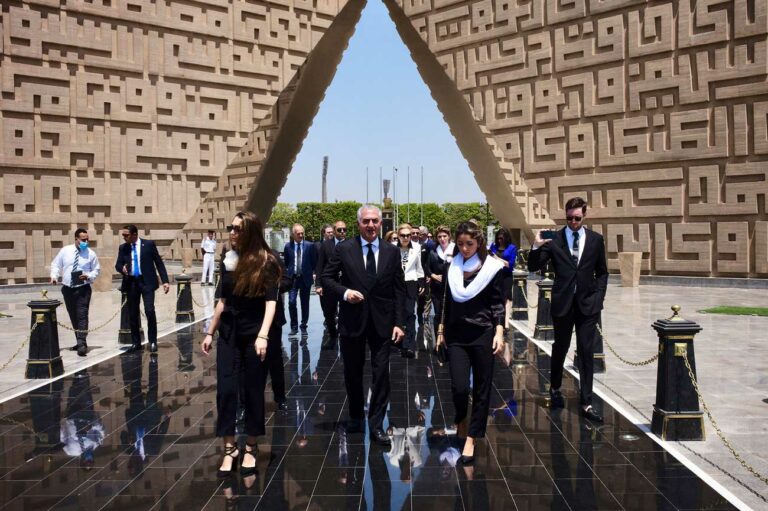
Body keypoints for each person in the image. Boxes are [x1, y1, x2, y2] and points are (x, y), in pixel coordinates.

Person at [201, 211, 281, 477]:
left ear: (250, 232)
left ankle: (250, 446)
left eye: (237, 229)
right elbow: (222, 300)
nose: (232, 233)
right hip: (229, 333)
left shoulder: (267, 261)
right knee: (225, 390)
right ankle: (229, 448)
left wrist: (263, 335)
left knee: (253, 391)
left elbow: (271, 302)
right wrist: (210, 332)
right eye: (231, 228)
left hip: (254, 332)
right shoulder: (228, 259)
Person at [321, 205, 406, 446]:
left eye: (375, 221)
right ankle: (356, 416)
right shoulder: (344, 249)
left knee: (381, 374)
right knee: (353, 372)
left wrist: (400, 323)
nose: (370, 225)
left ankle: (377, 424)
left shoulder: (391, 251)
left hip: (382, 323)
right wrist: (345, 293)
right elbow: (327, 278)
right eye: (366, 221)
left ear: (381, 224)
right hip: (352, 320)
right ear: (359, 224)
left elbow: (399, 289)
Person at [527, 196, 608, 423]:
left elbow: (602, 272)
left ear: (584, 215)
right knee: (560, 347)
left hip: (587, 305)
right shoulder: (555, 238)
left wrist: (599, 297)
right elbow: (534, 266)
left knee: (586, 351)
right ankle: (554, 388)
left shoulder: (595, 240)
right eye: (569, 218)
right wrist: (535, 245)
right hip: (563, 304)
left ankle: (587, 401)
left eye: (577, 218)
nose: (573, 222)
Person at [435, 221, 504, 464]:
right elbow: (443, 302)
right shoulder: (451, 267)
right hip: (456, 335)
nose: (465, 249)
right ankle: (461, 417)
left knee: (482, 388)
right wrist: (440, 330)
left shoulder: (492, 268)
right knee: (460, 387)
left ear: (479, 243)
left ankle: (472, 438)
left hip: (483, 333)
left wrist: (499, 331)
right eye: (461, 244)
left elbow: (497, 303)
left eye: (470, 244)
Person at [115, 225, 170, 353]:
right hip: (131, 283)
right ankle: (136, 343)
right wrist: (121, 269)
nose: (123, 237)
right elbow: (118, 264)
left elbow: (158, 263)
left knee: (149, 310)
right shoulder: (123, 248)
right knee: (133, 313)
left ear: (134, 234)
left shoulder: (149, 244)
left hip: (147, 283)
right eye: (123, 235)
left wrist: (165, 281)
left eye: (126, 235)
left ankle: (152, 341)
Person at [50, 228, 101, 356]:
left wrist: (88, 276)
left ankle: (82, 343)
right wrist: (54, 276)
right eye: (83, 239)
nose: (86, 241)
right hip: (68, 289)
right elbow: (56, 264)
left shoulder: (91, 254)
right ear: (76, 239)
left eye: (87, 239)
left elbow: (96, 270)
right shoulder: (65, 251)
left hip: (83, 289)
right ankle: (79, 340)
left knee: (82, 315)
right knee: (73, 315)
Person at [315, 220, 347, 347]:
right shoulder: (326, 245)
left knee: (346, 311)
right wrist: (318, 284)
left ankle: (345, 336)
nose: (342, 232)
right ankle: (333, 337)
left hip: (345, 283)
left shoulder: (351, 244)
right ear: (334, 231)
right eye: (339, 230)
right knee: (329, 312)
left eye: (344, 229)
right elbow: (320, 265)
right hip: (329, 283)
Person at [283, 223, 317, 335]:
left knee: (304, 302)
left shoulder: (310, 245)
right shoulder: (288, 246)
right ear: (293, 234)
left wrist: (313, 273)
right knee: (291, 302)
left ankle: (303, 325)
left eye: (302, 233)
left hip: (305, 278)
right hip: (292, 279)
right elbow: (287, 262)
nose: (301, 235)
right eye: (298, 233)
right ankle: (294, 327)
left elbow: (313, 262)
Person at [397, 223, 425, 359]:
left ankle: (409, 345)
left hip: (411, 282)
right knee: (398, 312)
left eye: (408, 235)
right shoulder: (391, 249)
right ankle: (397, 342)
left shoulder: (417, 248)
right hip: (396, 284)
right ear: (398, 236)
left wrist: (421, 282)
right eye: (403, 235)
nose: (406, 237)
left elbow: (419, 267)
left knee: (409, 312)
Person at [426, 225, 454, 333]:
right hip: (437, 288)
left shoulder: (455, 250)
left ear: (449, 236)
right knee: (438, 313)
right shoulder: (433, 251)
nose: (442, 239)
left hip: (451, 288)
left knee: (449, 313)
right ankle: (438, 339)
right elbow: (427, 268)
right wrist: (433, 275)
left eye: (444, 236)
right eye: (439, 237)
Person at [489, 228, 518, 332]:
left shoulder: (512, 248)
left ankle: (506, 324)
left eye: (502, 238)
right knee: (495, 297)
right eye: (498, 238)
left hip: (506, 276)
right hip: (495, 275)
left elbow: (510, 265)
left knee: (506, 298)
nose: (500, 240)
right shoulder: (494, 246)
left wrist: (497, 258)